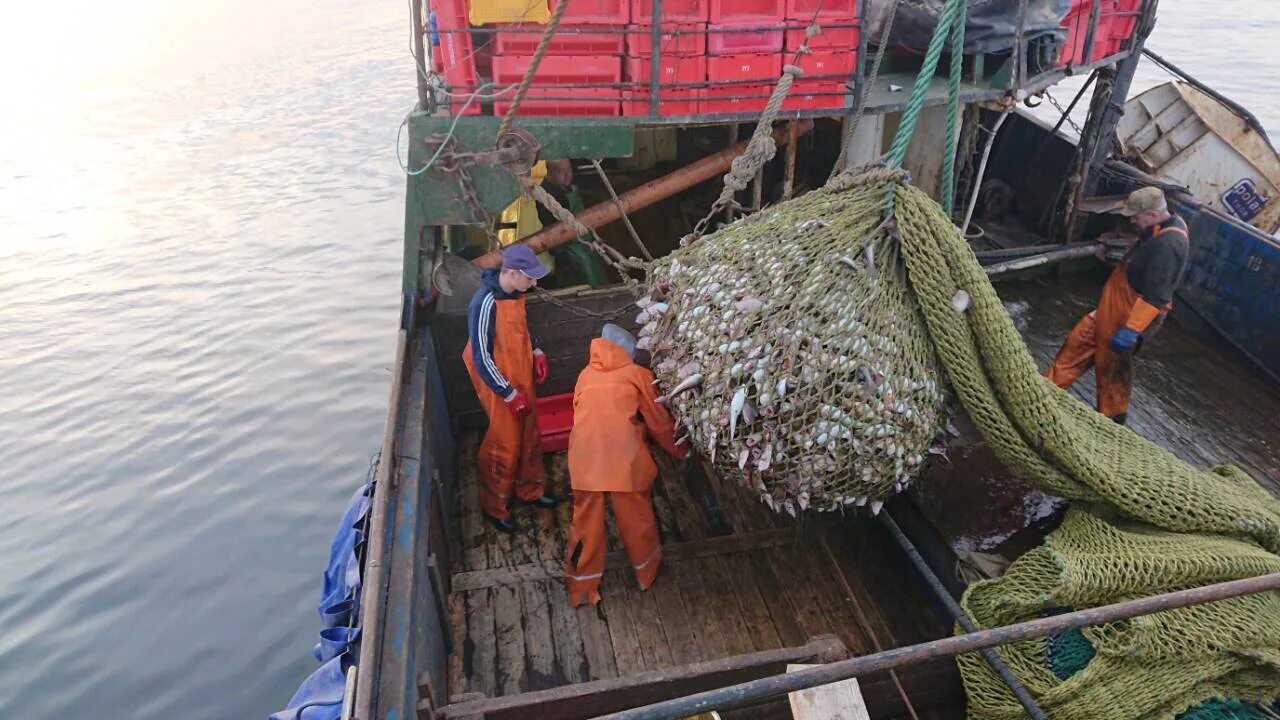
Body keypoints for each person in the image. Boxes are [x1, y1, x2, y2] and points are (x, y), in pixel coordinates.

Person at [564, 324, 688, 607]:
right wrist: (683, 451)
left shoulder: (585, 375)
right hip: (624, 461)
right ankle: (646, 573)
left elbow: (578, 413)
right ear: (628, 352)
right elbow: (660, 424)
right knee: (636, 517)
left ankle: (581, 587)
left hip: (584, 460)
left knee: (584, 523)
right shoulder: (638, 375)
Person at [1045, 186, 1190, 425]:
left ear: (1153, 215)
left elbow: (1157, 296)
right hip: (1111, 308)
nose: (1132, 221)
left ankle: (1111, 425)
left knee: (1111, 372)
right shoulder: (1156, 227)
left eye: (1136, 216)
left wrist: (1132, 330)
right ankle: (1045, 391)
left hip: (1131, 315)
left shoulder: (1169, 245)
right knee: (1078, 341)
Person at [463, 244, 557, 533]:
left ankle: (530, 491)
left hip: (521, 374)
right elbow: (481, 357)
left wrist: (537, 351)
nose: (534, 283)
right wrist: (507, 393)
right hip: (497, 382)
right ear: (513, 273)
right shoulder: (484, 303)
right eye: (530, 278)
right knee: (505, 443)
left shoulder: (516, 293)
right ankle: (496, 506)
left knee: (529, 434)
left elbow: (523, 328)